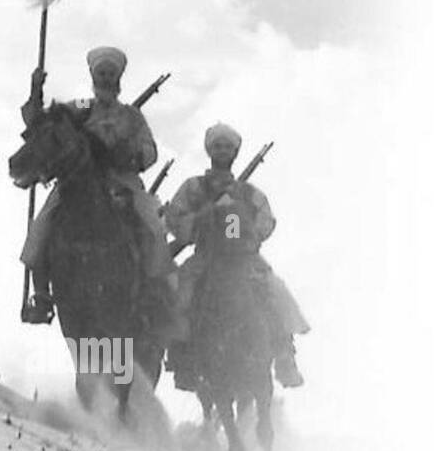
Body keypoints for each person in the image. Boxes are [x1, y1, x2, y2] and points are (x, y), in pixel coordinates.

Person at [20, 45, 175, 325]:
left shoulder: (131, 116)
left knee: (152, 226)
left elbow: (149, 150)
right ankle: (41, 294)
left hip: (122, 181)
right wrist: (35, 92)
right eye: (100, 72)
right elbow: (41, 124)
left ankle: (154, 293)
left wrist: (131, 155)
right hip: (74, 182)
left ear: (118, 78)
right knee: (41, 225)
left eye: (110, 73)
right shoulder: (81, 108)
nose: (105, 77)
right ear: (93, 75)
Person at [164, 123, 308, 389]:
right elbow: (175, 217)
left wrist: (249, 233)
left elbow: (267, 221)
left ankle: (285, 356)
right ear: (210, 150)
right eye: (217, 146)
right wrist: (201, 220)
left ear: (234, 152)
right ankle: (180, 359)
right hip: (206, 257)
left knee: (274, 289)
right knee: (180, 293)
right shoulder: (194, 188)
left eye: (227, 147)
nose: (222, 151)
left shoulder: (248, 192)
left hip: (244, 258)